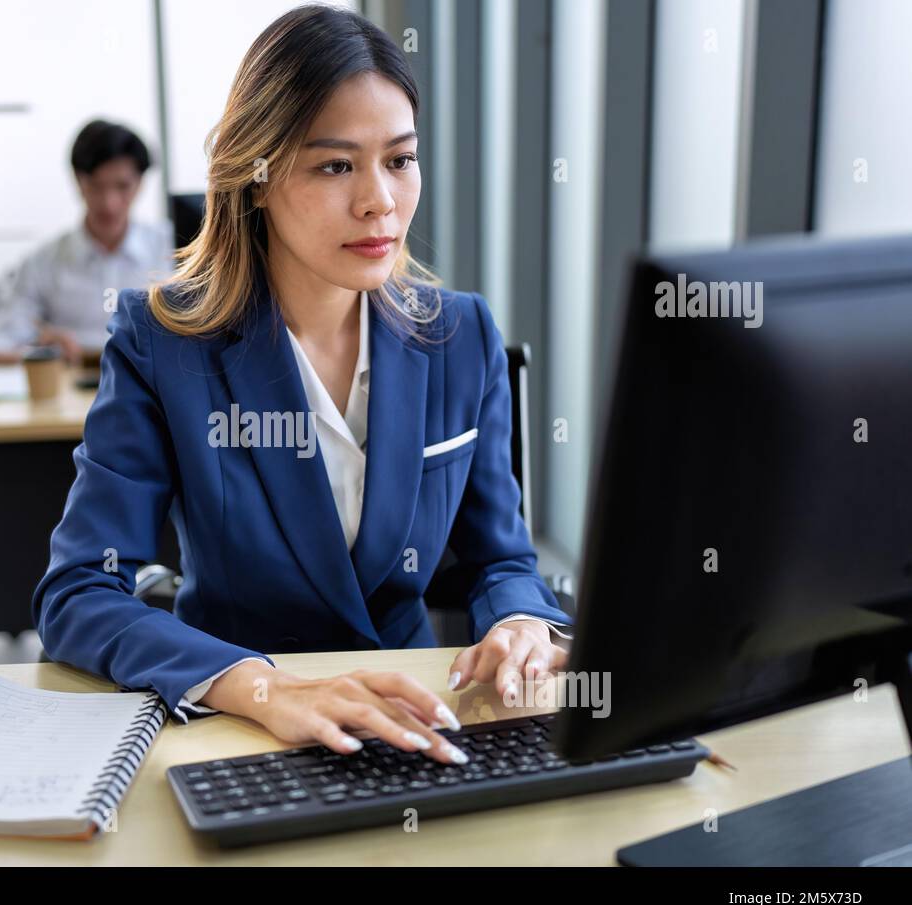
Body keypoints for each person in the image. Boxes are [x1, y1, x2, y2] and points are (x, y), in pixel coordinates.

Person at [32, 5, 573, 766]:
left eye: (400, 159)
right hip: (243, 727)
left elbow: (501, 560)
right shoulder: (165, 344)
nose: (379, 200)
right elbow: (81, 592)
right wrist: (263, 689)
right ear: (255, 179)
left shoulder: (461, 336)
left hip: (421, 720)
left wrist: (522, 623)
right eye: (334, 165)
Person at [0, 119, 174, 364]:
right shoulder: (43, 263)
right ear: (78, 180)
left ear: (141, 183)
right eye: (96, 186)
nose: (109, 203)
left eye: (122, 186)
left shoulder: (174, 249)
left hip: (153, 392)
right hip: (71, 396)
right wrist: (43, 354)